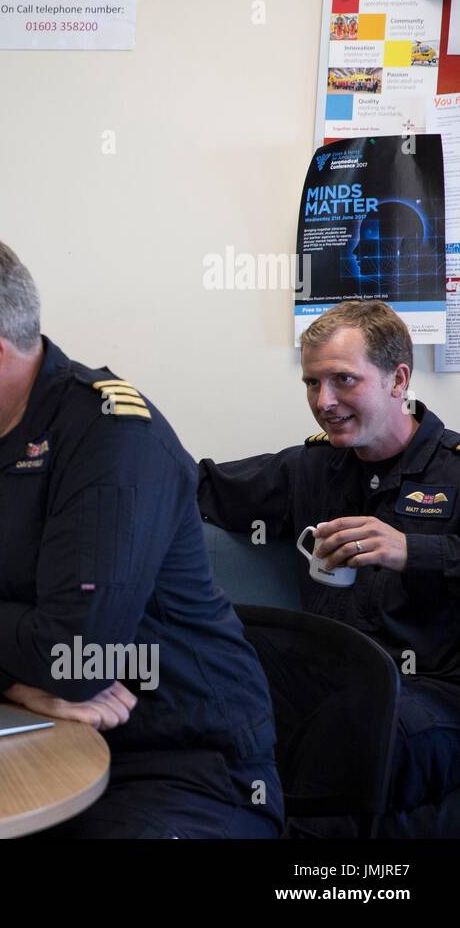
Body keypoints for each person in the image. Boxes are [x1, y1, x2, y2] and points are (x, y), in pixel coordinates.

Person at [0, 219, 281, 838]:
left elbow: (76, 662)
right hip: (13, 724)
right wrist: (9, 683)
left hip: (177, 762)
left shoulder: (112, 438)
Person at [199, 300, 460, 836]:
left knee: (356, 743)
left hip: (431, 692)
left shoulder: (453, 469)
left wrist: (416, 552)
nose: (324, 401)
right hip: (326, 678)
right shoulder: (310, 467)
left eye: (343, 380)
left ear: (398, 379)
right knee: (197, 700)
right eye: (312, 383)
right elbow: (200, 487)